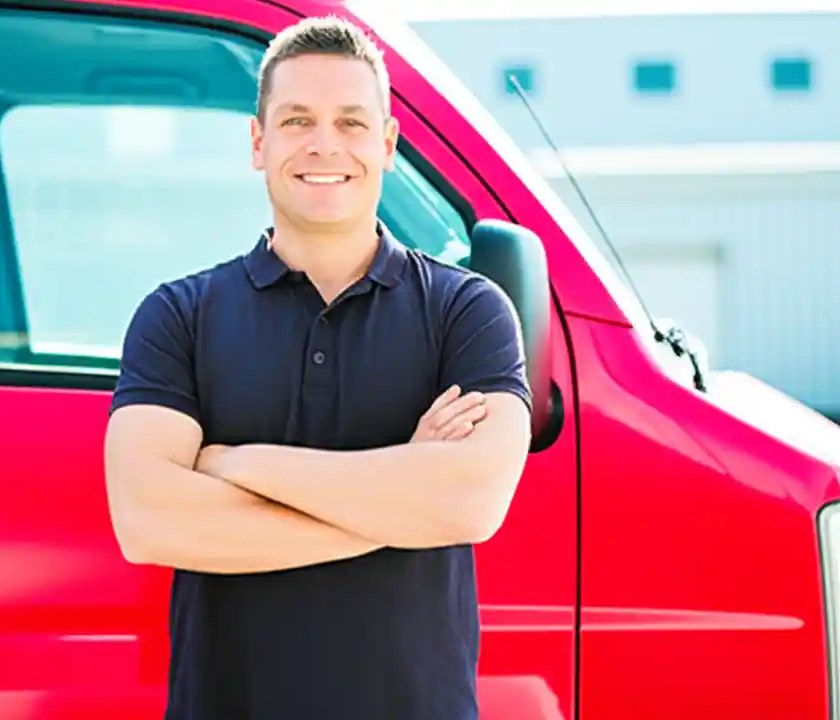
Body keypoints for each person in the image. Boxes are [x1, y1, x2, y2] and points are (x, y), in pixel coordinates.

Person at [104, 14, 533, 720]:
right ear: (257, 141)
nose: (324, 144)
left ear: (389, 143)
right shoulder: (178, 314)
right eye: (297, 119)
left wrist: (238, 463)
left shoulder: (468, 311)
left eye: (352, 122)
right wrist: (402, 500)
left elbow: (470, 504)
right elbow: (148, 520)